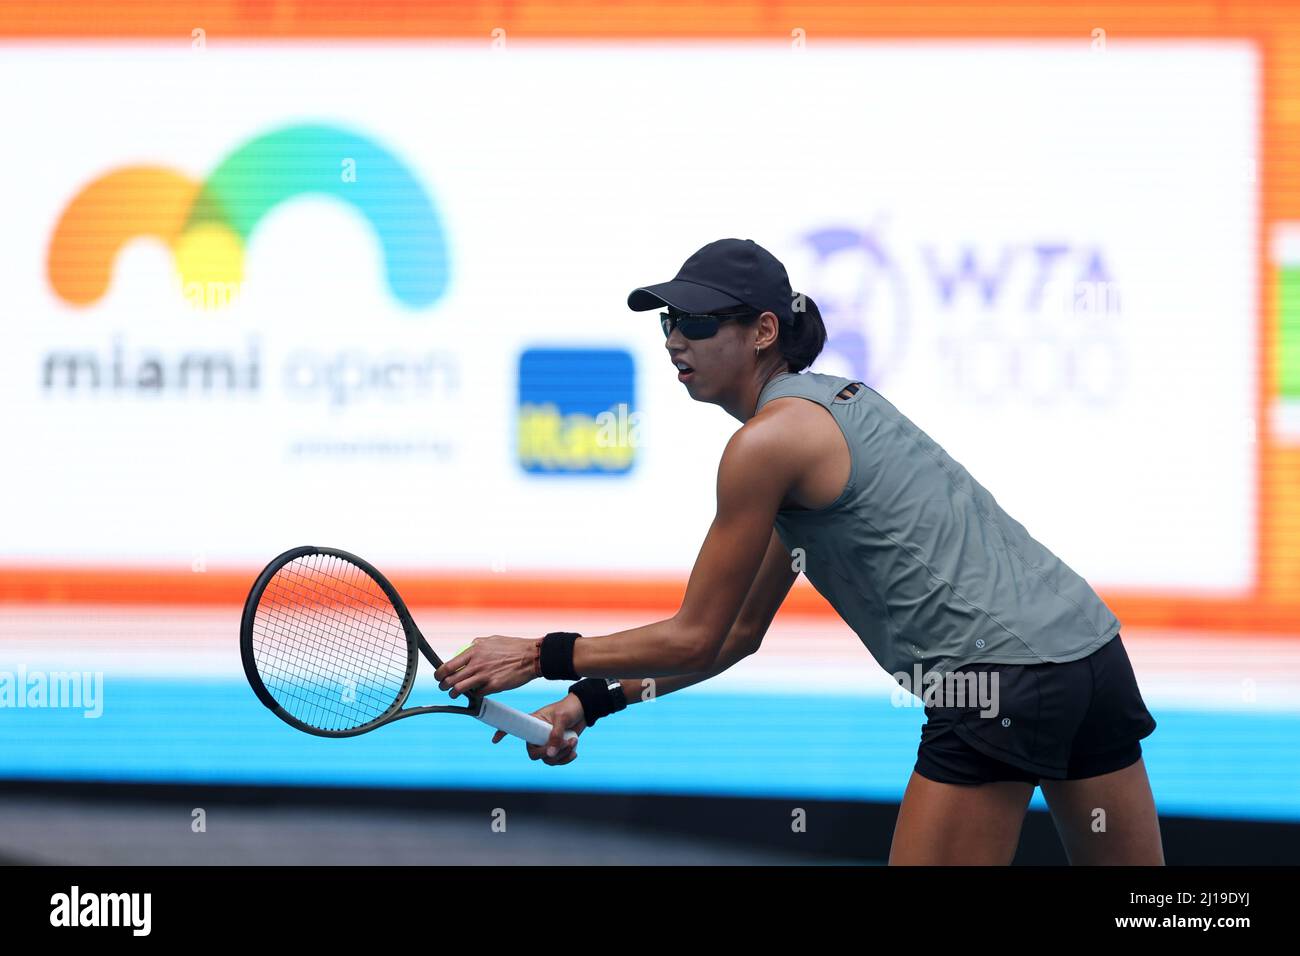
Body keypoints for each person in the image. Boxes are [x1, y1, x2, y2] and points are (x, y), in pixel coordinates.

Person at [433, 238, 1163, 865]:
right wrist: (589, 703)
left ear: (762, 331)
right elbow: (734, 638)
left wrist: (537, 654)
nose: (673, 340)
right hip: (1089, 658)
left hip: (998, 683)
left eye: (695, 321)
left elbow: (693, 637)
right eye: (667, 321)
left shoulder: (764, 444)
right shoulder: (828, 406)